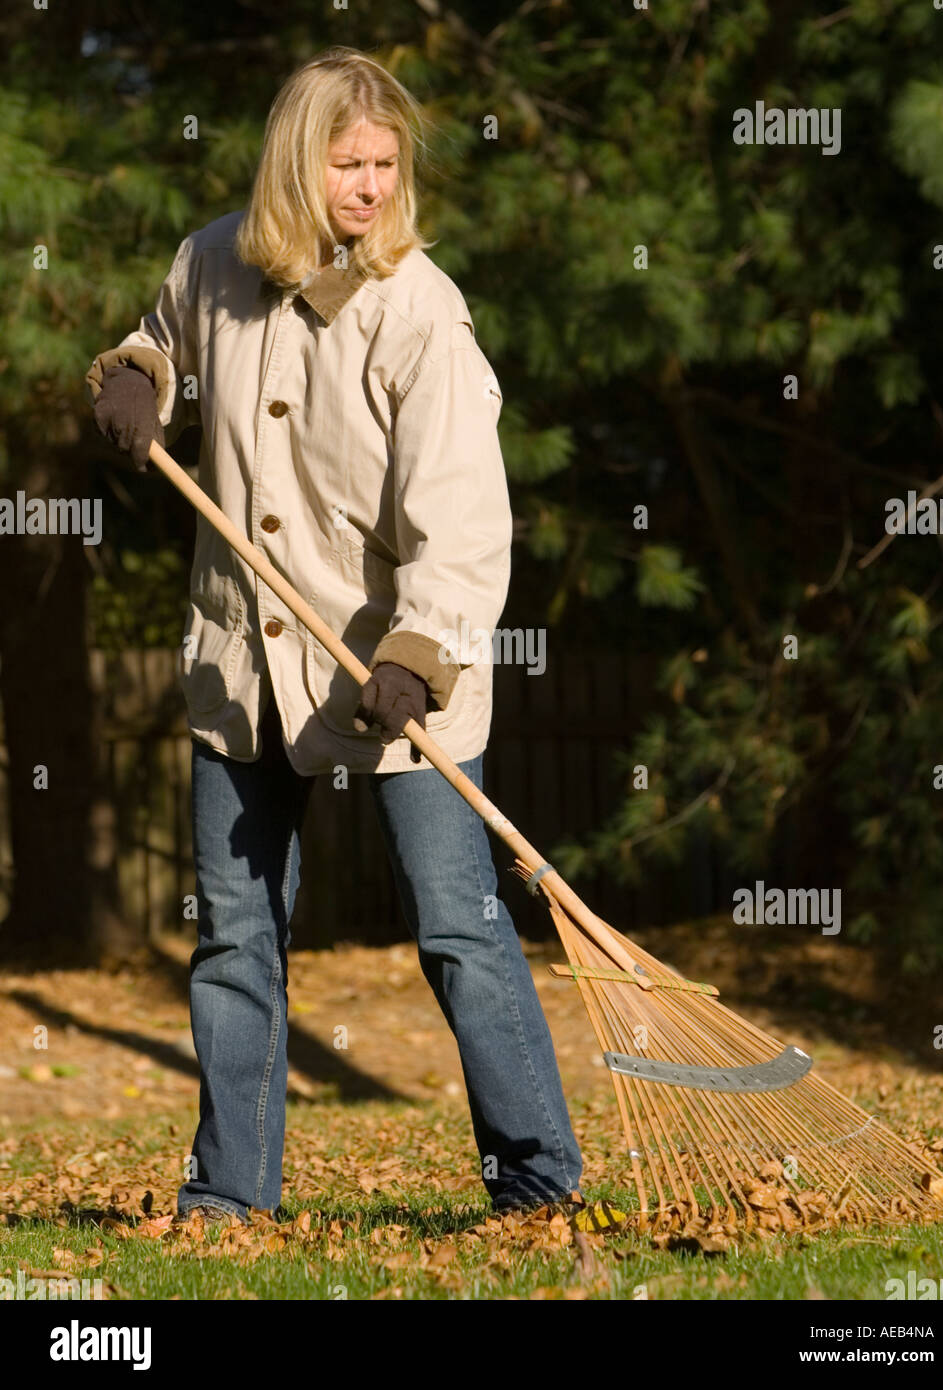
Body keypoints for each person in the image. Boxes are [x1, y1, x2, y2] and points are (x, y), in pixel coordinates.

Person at [86, 46, 582, 1226]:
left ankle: (536, 1182)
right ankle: (228, 1196)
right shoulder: (213, 261)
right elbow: (156, 334)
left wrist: (419, 653)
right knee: (235, 936)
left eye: (383, 164)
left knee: (458, 924)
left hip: (399, 663)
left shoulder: (424, 315)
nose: (366, 185)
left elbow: (462, 520)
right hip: (243, 662)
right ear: (292, 166)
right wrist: (138, 373)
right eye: (343, 163)